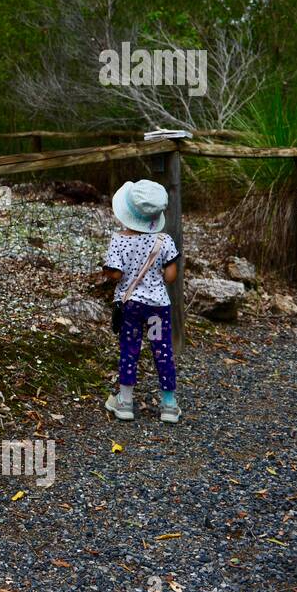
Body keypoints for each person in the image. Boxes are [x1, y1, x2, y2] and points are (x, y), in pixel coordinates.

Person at [101, 179, 182, 423]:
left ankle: (125, 402)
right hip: (157, 308)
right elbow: (170, 276)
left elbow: (115, 274)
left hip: (131, 307)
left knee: (130, 350)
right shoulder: (164, 241)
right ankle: (169, 404)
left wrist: (109, 271)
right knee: (162, 350)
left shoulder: (118, 240)